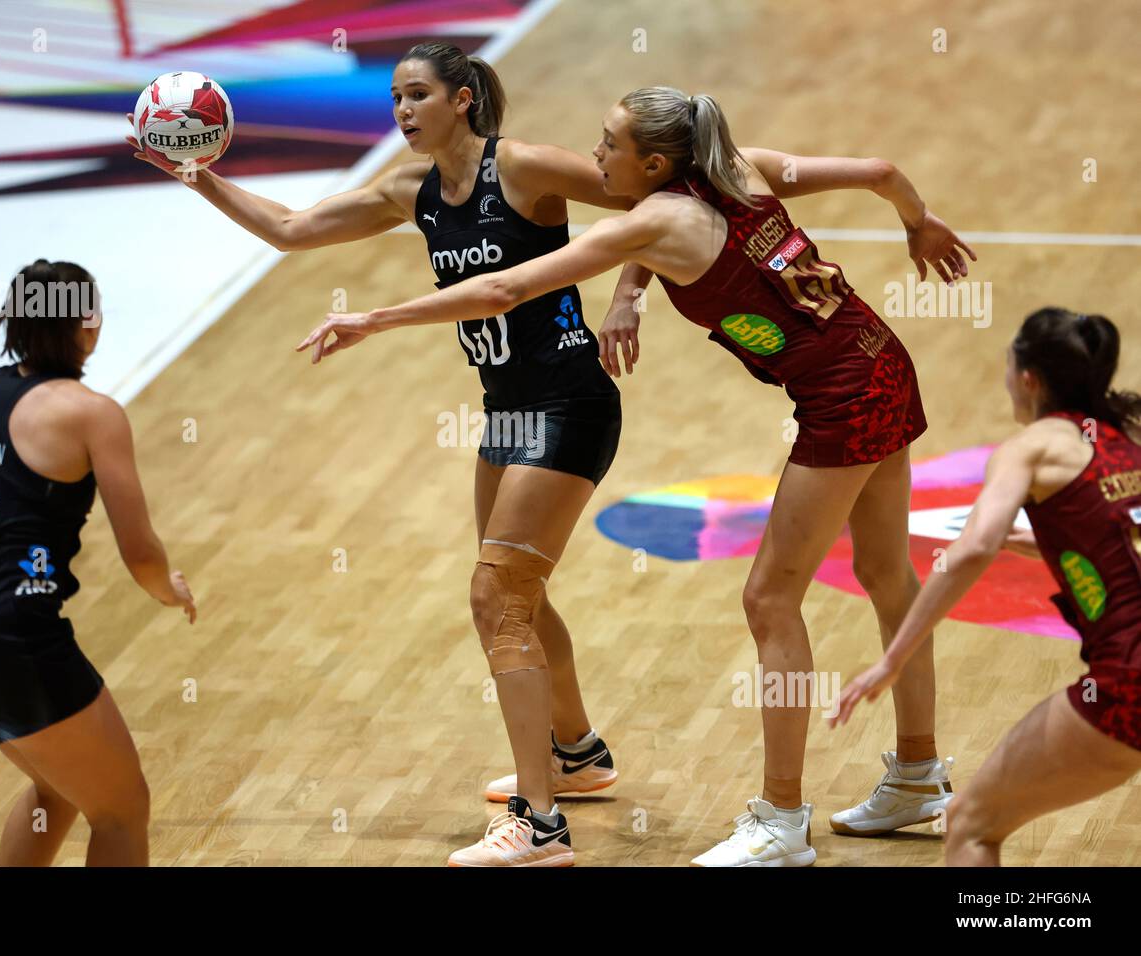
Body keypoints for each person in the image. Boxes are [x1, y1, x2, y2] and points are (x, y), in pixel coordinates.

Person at [297, 85, 977, 866]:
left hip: (843, 402)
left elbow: (506, 288)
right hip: (880, 359)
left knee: (769, 598)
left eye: (608, 143)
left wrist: (371, 319)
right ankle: (920, 775)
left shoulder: (654, 218)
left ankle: (782, 822)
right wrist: (918, 223)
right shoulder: (741, 169)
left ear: (653, 163)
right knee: (885, 573)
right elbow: (882, 170)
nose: (594, 155)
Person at [130, 42, 634, 866]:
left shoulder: (529, 168)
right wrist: (194, 173)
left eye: (417, 95)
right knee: (523, 598)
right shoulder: (414, 190)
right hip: (505, 411)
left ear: (464, 99)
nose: (401, 111)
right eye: (395, 98)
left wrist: (630, 296)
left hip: (570, 405)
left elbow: (653, 197)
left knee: (493, 600)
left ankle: (541, 826)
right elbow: (293, 231)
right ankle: (576, 757)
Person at [0, 259, 196, 866]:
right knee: (121, 808)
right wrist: (168, 589)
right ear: (89, 322)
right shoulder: (92, 413)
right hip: (12, 641)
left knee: (57, 791)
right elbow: (141, 554)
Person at [834, 308, 1141, 866]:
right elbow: (1112, 530)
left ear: (1028, 378)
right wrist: (1034, 541)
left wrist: (892, 661)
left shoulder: (1030, 449)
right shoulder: (1124, 437)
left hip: (1129, 685)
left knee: (971, 824)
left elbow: (970, 549)